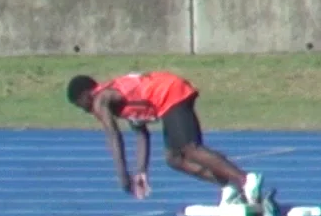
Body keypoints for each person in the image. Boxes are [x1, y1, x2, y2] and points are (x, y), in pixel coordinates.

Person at [66, 71, 269, 205]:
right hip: (168, 95)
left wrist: (122, 175)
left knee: (189, 148)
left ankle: (245, 180)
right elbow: (141, 133)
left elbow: (113, 136)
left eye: (80, 105)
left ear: (87, 95)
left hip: (169, 94)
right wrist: (141, 172)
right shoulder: (116, 100)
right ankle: (230, 184)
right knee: (174, 158)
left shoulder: (101, 100)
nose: (84, 110)